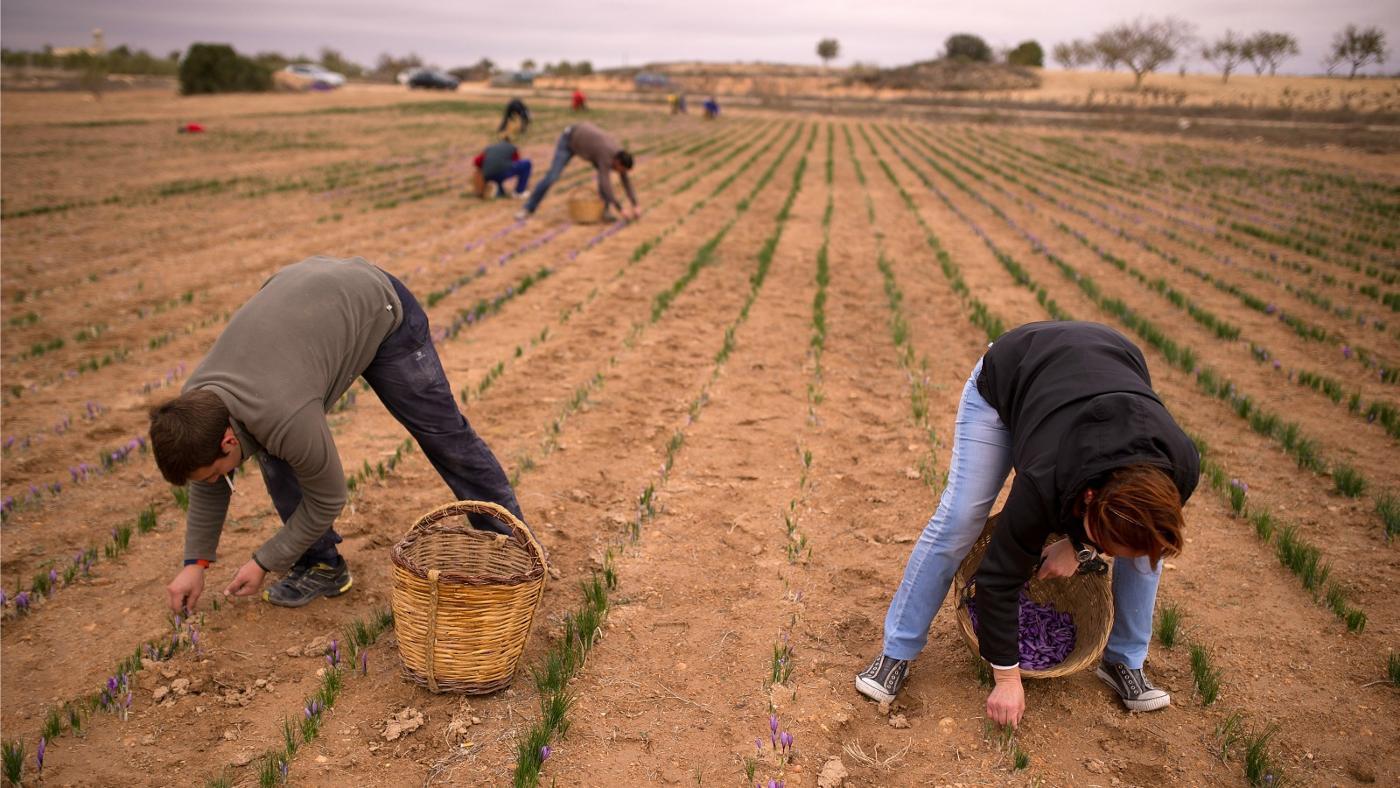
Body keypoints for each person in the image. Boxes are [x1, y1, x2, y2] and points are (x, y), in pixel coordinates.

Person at [855, 321, 1199, 726]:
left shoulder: (1178, 469)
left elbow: (1129, 523)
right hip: (1009, 380)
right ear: (1088, 500)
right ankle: (897, 650)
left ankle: (1124, 660)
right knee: (961, 517)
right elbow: (998, 579)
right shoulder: (1045, 478)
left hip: (1102, 371)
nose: (1106, 555)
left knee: (1145, 547)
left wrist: (1080, 546)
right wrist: (1007, 679)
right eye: (1102, 543)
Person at [151, 257, 525, 613]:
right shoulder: (198, 405)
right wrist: (194, 562)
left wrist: (264, 561)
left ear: (227, 439)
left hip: (377, 305)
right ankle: (322, 566)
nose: (219, 480)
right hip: (310, 309)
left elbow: (328, 498)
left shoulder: (285, 416)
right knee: (274, 453)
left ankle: (514, 548)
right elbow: (208, 477)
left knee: (445, 438)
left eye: (220, 472)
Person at [518, 121, 639, 221]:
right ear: (617, 162)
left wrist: (635, 205)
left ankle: (604, 211)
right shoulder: (606, 155)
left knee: (603, 178)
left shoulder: (619, 155)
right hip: (569, 140)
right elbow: (605, 183)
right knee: (552, 176)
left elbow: (625, 180)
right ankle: (528, 208)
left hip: (587, 145)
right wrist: (620, 208)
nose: (619, 172)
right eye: (620, 170)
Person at [473, 135, 532, 199]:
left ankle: (500, 192)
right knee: (526, 164)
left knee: (498, 170)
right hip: (502, 172)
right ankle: (519, 191)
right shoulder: (512, 147)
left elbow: (477, 161)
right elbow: (516, 161)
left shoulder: (489, 148)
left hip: (487, 175)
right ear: (509, 141)